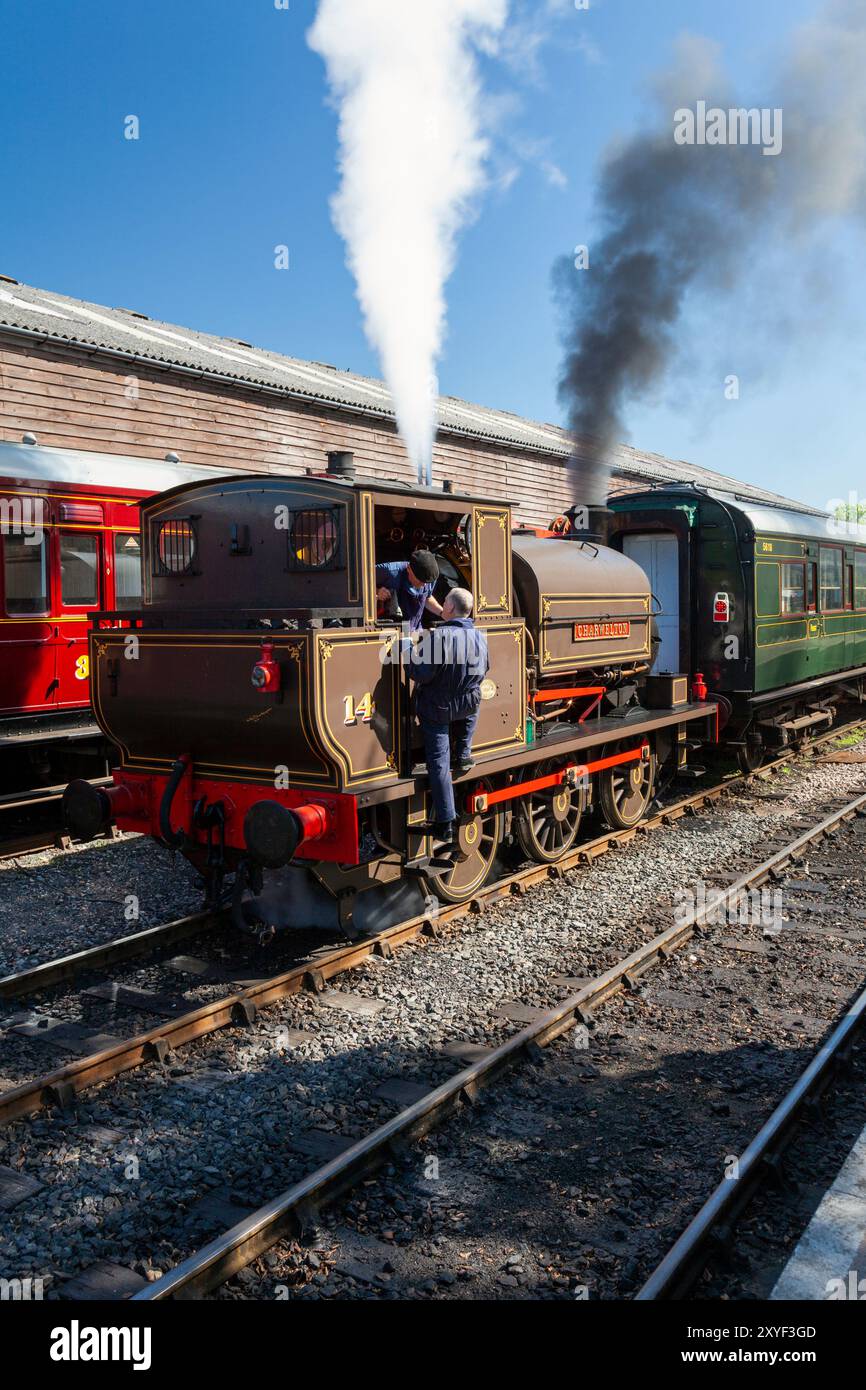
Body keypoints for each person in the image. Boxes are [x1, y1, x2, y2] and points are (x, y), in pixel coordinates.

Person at [407, 587, 489, 864]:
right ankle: (464, 752)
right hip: (467, 704)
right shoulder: (480, 635)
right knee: (473, 702)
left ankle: (445, 821)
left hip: (438, 708)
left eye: (444, 602)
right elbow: (484, 668)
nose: (441, 605)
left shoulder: (439, 636)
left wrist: (408, 651)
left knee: (438, 763)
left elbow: (420, 672)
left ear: (451, 609)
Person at [375, 550, 443, 632]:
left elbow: (427, 598)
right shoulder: (389, 571)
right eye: (420, 581)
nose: (424, 585)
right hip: (390, 632)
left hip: (415, 630)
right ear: (409, 569)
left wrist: (442, 613)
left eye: (426, 582)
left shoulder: (429, 578)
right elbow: (358, 584)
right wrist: (376, 591)